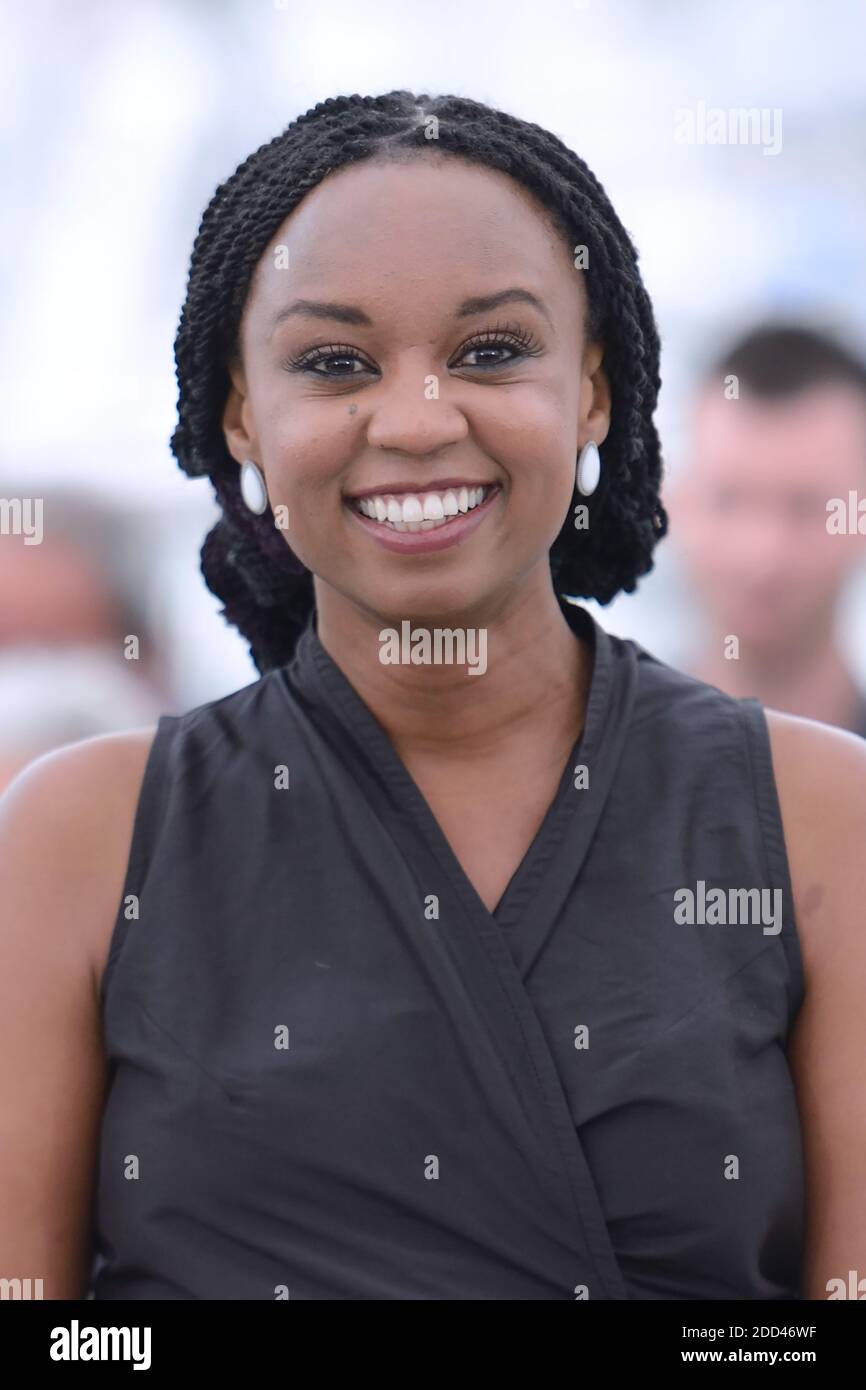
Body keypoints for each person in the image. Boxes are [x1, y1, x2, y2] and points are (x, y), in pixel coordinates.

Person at [1, 90, 865, 1302]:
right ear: (240, 410)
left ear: (594, 393)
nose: (415, 418)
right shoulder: (76, 834)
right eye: (333, 362)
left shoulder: (819, 812)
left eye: (491, 351)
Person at [669, 323, 866, 736]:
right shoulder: (594, 770)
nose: (760, 554)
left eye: (807, 507)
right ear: (677, 502)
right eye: (729, 499)